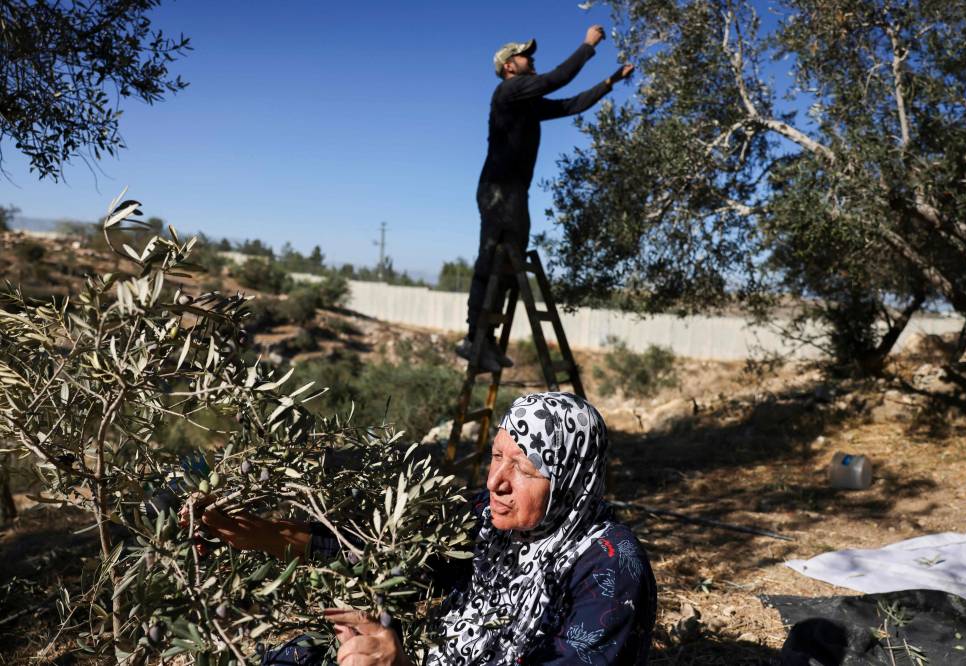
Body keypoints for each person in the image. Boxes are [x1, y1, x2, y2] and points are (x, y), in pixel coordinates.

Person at [194, 392, 656, 665]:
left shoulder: (610, 566)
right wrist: (262, 534)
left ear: (570, 482)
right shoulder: (486, 519)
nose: (497, 481)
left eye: (524, 469)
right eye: (497, 456)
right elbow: (379, 553)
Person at [456, 27, 635, 372]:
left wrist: (610, 82)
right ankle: (472, 339)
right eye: (525, 55)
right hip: (497, 191)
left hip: (513, 193)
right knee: (490, 262)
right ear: (509, 66)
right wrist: (587, 46)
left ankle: (486, 342)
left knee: (508, 265)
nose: (531, 59)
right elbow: (558, 79)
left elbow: (571, 105)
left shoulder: (526, 104)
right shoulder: (509, 91)